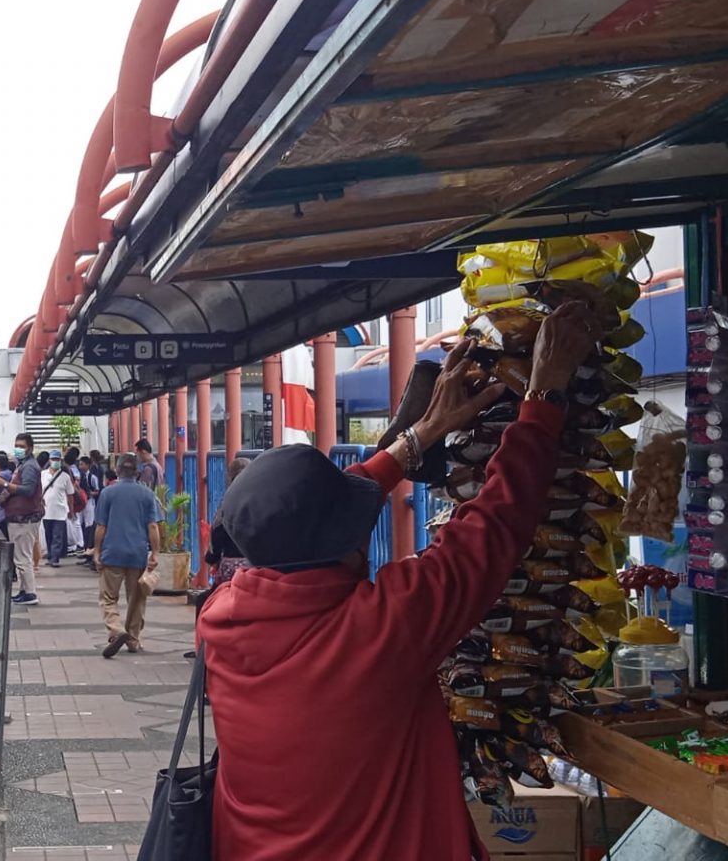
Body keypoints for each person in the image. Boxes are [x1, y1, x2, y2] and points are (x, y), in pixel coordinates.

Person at [198, 303, 598, 860]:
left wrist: (424, 433)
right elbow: (495, 526)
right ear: (347, 542)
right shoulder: (381, 627)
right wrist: (544, 394)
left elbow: (307, 520)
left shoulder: (219, 617)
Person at [92, 453, 160, 658]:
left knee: (108, 597)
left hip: (112, 552)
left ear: (118, 470)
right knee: (136, 599)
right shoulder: (147, 494)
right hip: (137, 553)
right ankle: (133, 639)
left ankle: (116, 629)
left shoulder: (107, 493)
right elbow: (153, 526)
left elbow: (101, 526)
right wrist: (155, 553)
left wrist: (97, 551)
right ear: (137, 472)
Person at [1, 432, 45, 605]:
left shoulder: (29, 467)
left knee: (22, 558)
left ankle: (30, 593)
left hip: (24, 519)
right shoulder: (24, 465)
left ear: (30, 448)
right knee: (21, 557)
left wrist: (5, 484)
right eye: (16, 446)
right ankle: (24, 590)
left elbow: (28, 490)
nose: (18, 449)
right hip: (20, 518)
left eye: (22, 447)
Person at [203, 455, 252, 586]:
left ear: (230, 477)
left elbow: (216, 533)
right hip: (255, 568)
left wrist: (212, 558)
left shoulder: (227, 503)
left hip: (230, 568)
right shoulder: (260, 502)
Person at [40, 452, 74, 568]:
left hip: (61, 511)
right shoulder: (43, 475)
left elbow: (70, 494)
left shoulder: (65, 477)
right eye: (53, 459)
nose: (55, 461)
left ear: (61, 461)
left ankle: (55, 558)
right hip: (46, 511)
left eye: (57, 459)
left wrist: (71, 510)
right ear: (49, 460)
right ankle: (51, 555)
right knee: (48, 535)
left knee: (57, 536)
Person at [77, 456, 103, 569]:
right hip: (81, 503)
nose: (80, 466)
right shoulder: (79, 476)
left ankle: (89, 550)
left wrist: (89, 493)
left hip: (89, 503)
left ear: (88, 465)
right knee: (81, 525)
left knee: (89, 526)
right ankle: (85, 549)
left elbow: (97, 491)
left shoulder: (92, 477)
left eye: (82, 464)